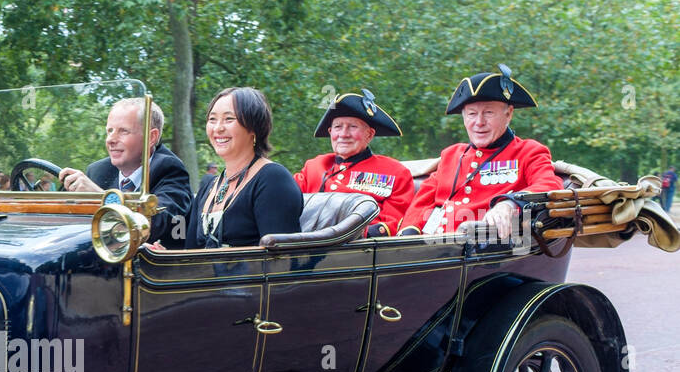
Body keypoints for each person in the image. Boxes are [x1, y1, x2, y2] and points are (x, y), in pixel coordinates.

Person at [402, 65, 561, 238]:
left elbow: (549, 185)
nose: (479, 122)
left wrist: (509, 203)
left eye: (489, 113)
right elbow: (421, 201)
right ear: (463, 118)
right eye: (471, 114)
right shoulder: (451, 155)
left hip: (486, 254)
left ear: (508, 114)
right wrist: (409, 232)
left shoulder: (528, 151)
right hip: (433, 247)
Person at [57, 97, 193, 247]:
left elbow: (155, 224)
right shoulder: (97, 171)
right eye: (109, 131)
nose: (111, 140)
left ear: (151, 137)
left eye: (123, 131)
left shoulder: (169, 168)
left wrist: (100, 197)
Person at [178, 87, 302, 249]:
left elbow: (281, 260)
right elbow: (190, 255)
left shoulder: (273, 179)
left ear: (253, 127)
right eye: (212, 119)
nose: (218, 128)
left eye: (229, 119)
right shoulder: (208, 187)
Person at [294, 90, 414, 236]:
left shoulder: (395, 172)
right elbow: (285, 199)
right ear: (331, 132)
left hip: (361, 250)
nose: (343, 134)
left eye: (352, 127)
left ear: (369, 135)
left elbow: (394, 221)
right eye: (338, 127)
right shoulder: (313, 166)